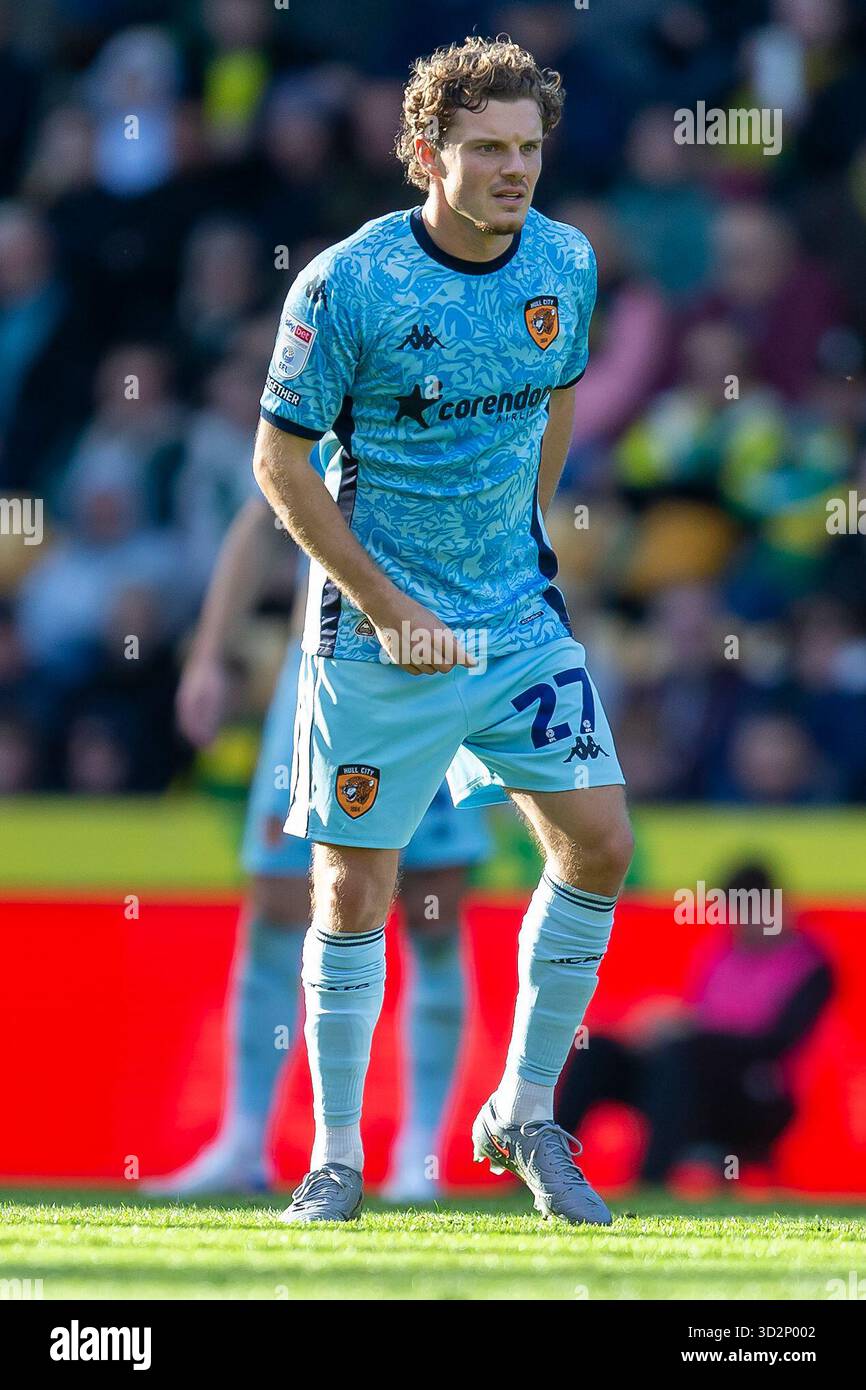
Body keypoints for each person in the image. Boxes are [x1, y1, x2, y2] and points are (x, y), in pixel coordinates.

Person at [253, 35, 633, 1226]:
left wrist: (520, 535)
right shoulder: (346, 284)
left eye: (527, 148)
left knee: (599, 844)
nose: (513, 170)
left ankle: (521, 1112)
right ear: (425, 151)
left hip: (515, 622)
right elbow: (279, 463)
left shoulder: (565, 262)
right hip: (378, 637)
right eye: (486, 149)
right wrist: (388, 606)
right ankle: (333, 1158)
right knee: (354, 892)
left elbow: (557, 394)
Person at [148, 483, 490, 1198]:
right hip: (318, 686)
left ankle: (419, 1155)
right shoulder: (330, 383)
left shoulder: (472, 387)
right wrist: (209, 654)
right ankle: (244, 1141)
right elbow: (262, 513)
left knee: (431, 915)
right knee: (279, 904)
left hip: (436, 679)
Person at [556, 864, 833, 1187]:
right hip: (688, 1076)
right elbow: (700, 1018)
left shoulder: (810, 967)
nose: (742, 922)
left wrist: (692, 1035)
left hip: (757, 1095)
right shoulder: (721, 954)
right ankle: (549, 1170)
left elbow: (776, 1044)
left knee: (679, 1059)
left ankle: (649, 1183)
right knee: (600, 1052)